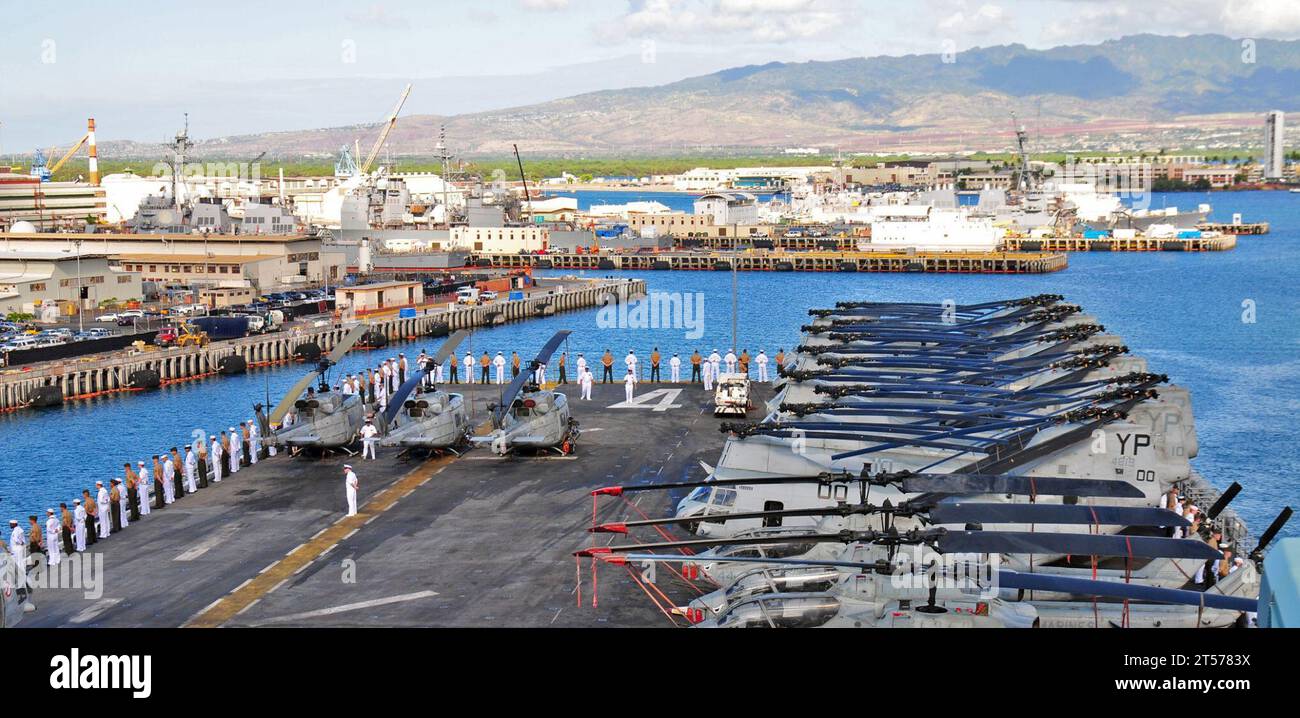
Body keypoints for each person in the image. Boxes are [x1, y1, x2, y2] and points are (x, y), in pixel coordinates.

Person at [8, 520, 26, 593]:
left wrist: (20, 542)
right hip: (19, 548)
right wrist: (22, 542)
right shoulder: (19, 529)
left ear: (14, 524)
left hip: (17, 548)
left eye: (11, 524)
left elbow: (16, 539)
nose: (10, 525)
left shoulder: (15, 531)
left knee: (18, 563)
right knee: (20, 562)